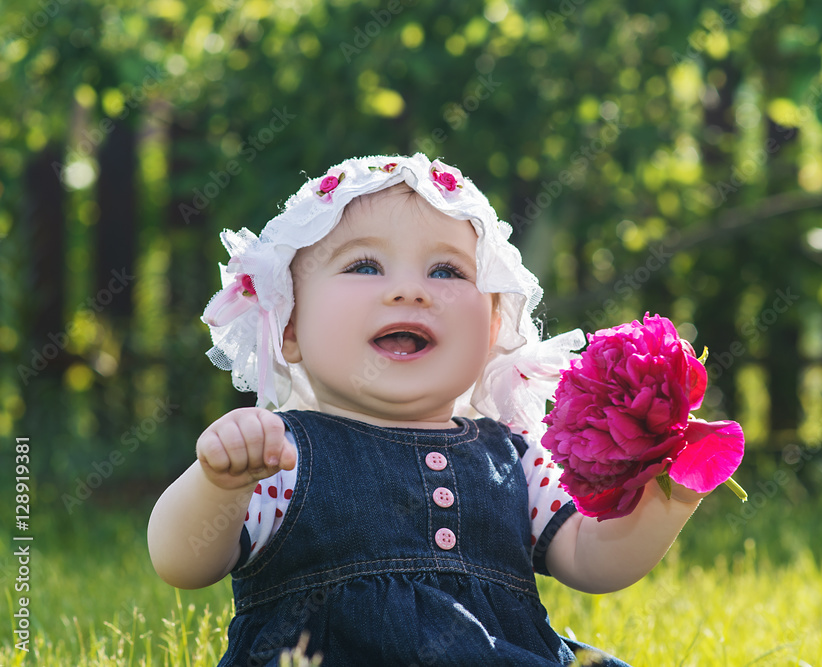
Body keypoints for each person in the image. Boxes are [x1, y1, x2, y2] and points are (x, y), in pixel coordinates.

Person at [147, 153, 710, 666]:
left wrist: (673, 495)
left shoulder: (512, 455)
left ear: (492, 330)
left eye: (447, 271)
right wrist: (220, 485)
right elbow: (184, 563)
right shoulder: (282, 454)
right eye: (365, 266)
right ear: (289, 327)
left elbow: (591, 559)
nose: (410, 291)